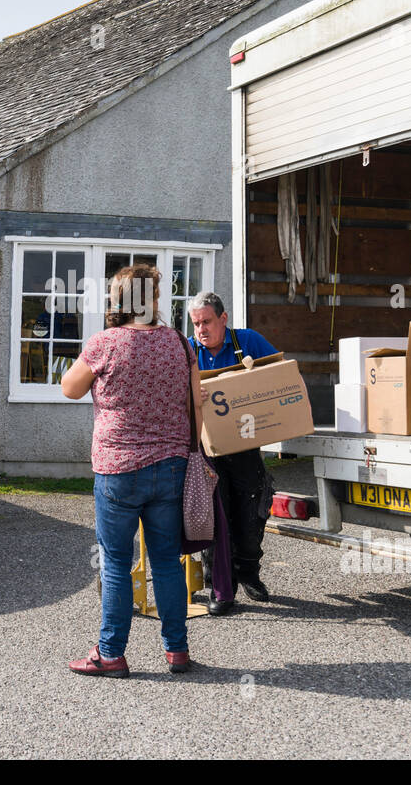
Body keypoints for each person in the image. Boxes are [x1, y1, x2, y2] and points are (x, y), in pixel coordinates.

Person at [61, 264, 202, 678]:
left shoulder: (105, 344)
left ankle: (111, 653)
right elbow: (197, 405)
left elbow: (69, 388)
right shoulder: (179, 343)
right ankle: (176, 651)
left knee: (117, 563)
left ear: (117, 300)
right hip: (172, 466)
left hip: (118, 469)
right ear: (153, 300)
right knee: (166, 562)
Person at [188, 290, 277, 616]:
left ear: (223, 319)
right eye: (196, 323)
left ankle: (249, 572)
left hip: (244, 446)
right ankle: (218, 586)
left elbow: (279, 374)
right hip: (207, 449)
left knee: (251, 513)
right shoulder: (188, 349)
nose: (201, 329)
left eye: (207, 322)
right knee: (214, 519)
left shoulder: (248, 341)